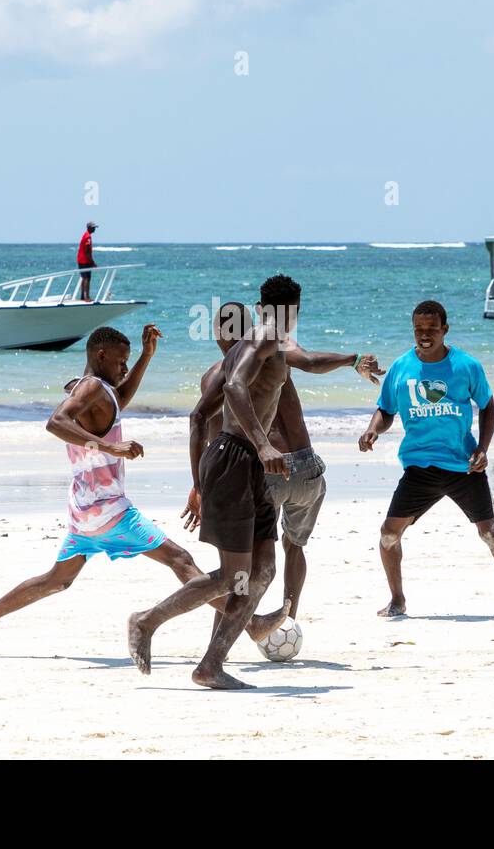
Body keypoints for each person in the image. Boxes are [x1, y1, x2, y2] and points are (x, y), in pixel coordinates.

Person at [0, 324, 287, 657]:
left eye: (127, 362)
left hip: (84, 508)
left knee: (57, 579)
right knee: (180, 559)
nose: (124, 368)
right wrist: (109, 449)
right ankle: (251, 623)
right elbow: (55, 422)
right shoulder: (92, 387)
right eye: (120, 361)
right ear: (101, 355)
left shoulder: (99, 390)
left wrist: (146, 356)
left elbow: (120, 398)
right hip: (108, 508)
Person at [127, 275, 302, 690]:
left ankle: (211, 664)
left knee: (261, 572)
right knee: (231, 576)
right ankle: (147, 621)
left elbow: (299, 371)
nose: (224, 338)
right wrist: (201, 486)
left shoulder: (266, 357)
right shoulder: (224, 371)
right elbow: (197, 419)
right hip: (230, 469)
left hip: (253, 473)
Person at [185, 301, 382, 621]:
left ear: (217, 334)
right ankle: (288, 618)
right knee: (294, 546)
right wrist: (354, 359)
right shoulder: (272, 353)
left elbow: (208, 434)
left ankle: (233, 631)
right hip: (307, 471)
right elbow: (311, 360)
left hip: (264, 473)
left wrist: (200, 487)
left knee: (239, 566)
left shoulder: (216, 375)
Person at [359, 299, 494, 619]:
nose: (425, 335)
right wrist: (373, 430)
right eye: (418, 329)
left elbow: (488, 407)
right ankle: (397, 600)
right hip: (419, 467)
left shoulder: (466, 366)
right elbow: (386, 411)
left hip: (463, 465)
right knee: (388, 535)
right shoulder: (401, 367)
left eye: (431, 329)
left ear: (444, 330)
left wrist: (483, 448)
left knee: (490, 534)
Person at [77, 221, 97, 301]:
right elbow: (87, 251)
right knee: (87, 278)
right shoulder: (88, 237)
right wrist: (92, 262)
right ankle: (87, 297)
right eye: (93, 227)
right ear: (89, 228)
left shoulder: (85, 235)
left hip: (80, 259)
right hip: (85, 261)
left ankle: (82, 296)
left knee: (83, 278)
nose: (94, 229)